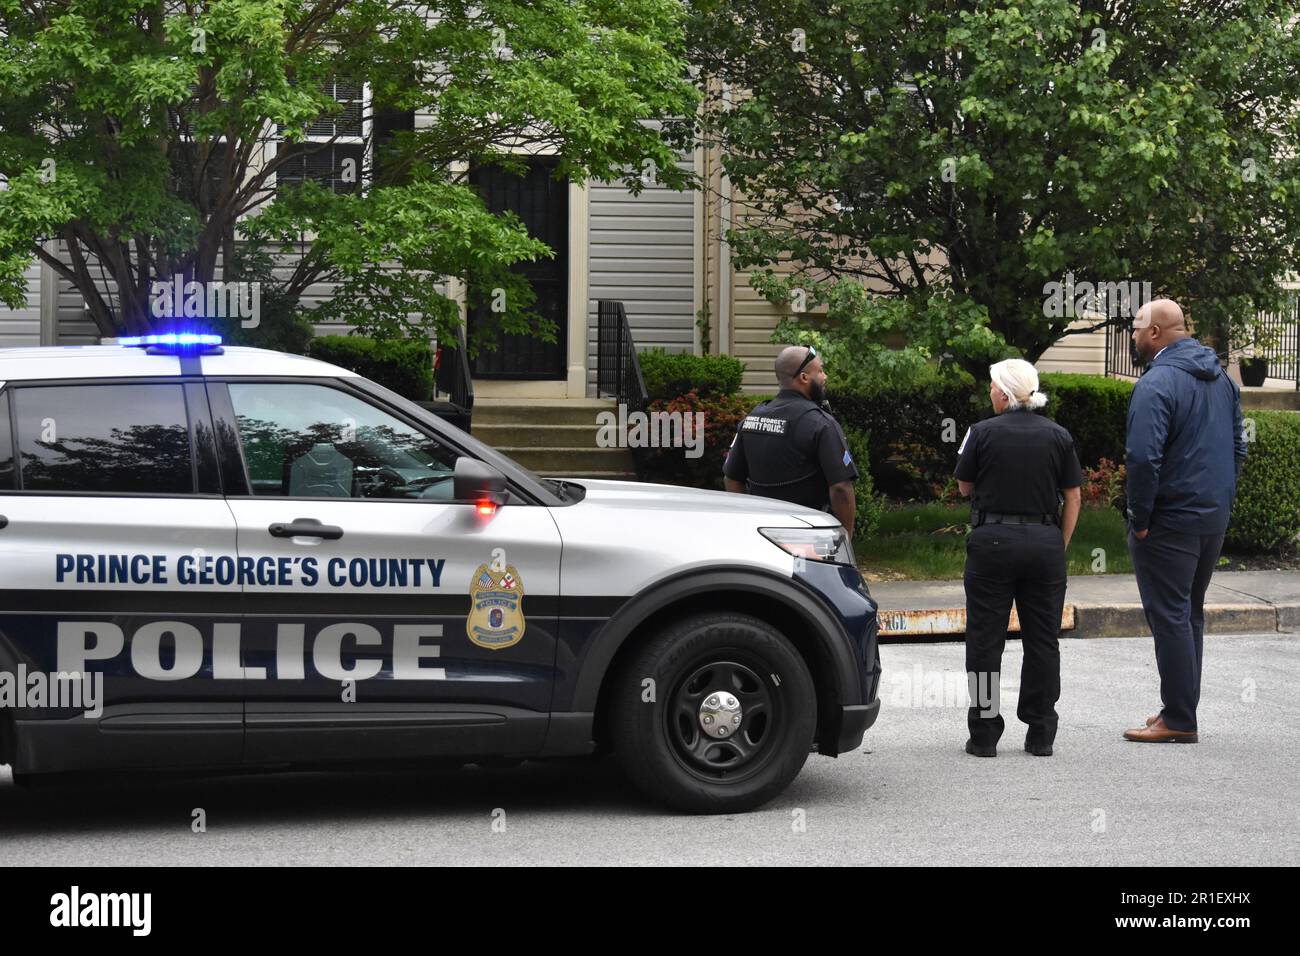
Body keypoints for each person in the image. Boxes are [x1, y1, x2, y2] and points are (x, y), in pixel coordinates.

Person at [1122, 298, 1247, 744]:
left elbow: (1142, 457)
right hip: (1210, 519)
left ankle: (1178, 718)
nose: (1133, 336)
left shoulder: (1157, 382)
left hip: (1169, 521)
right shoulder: (1223, 379)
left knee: (1171, 616)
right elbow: (1238, 446)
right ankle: (1179, 711)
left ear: (1155, 332)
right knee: (1188, 613)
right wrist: (1221, 501)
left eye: (1137, 328)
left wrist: (1140, 517)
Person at [955, 359, 1082, 757]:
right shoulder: (1059, 435)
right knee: (1043, 640)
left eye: (992, 386)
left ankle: (985, 734)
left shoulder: (981, 432)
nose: (989, 392)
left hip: (992, 541)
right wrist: (1057, 541)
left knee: (985, 641)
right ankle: (1041, 731)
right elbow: (1074, 495)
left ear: (1003, 393)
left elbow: (963, 486)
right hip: (1044, 543)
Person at [722, 346, 858, 535]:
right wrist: (845, 540)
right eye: (820, 370)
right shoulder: (822, 424)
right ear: (804, 378)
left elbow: (732, 479)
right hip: (809, 538)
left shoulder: (751, 419)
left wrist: (747, 525)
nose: (825, 376)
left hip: (761, 535)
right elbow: (841, 488)